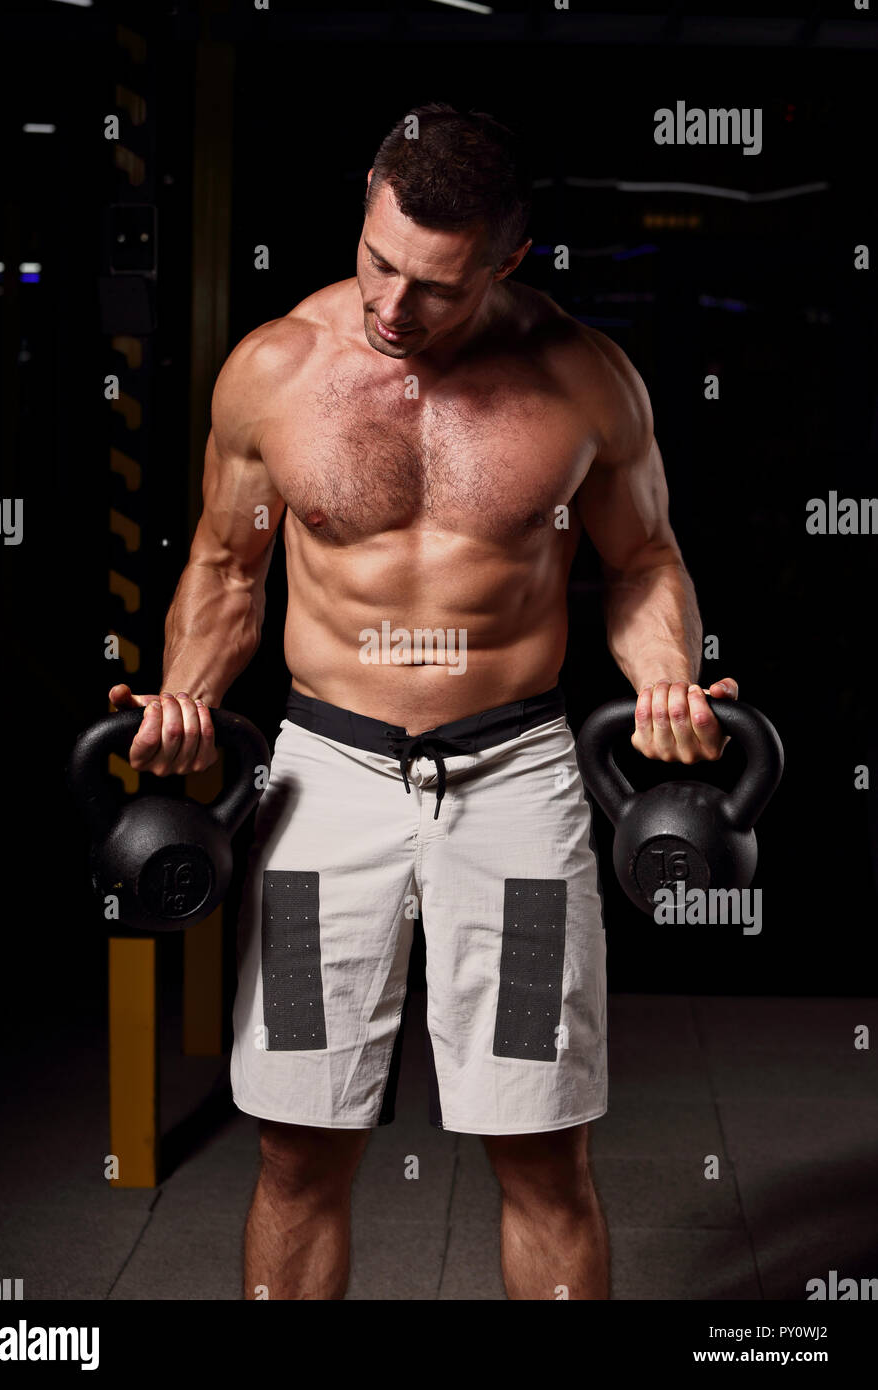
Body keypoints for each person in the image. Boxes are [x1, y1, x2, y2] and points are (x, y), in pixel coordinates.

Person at [109, 103, 737, 1300]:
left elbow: (646, 561)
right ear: (363, 205)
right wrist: (183, 702)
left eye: (439, 288)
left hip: (513, 792)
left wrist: (664, 678)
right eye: (379, 262)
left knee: (542, 1147)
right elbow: (228, 564)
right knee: (298, 1143)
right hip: (324, 796)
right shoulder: (275, 371)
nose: (395, 309)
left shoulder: (583, 381)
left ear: (508, 260)